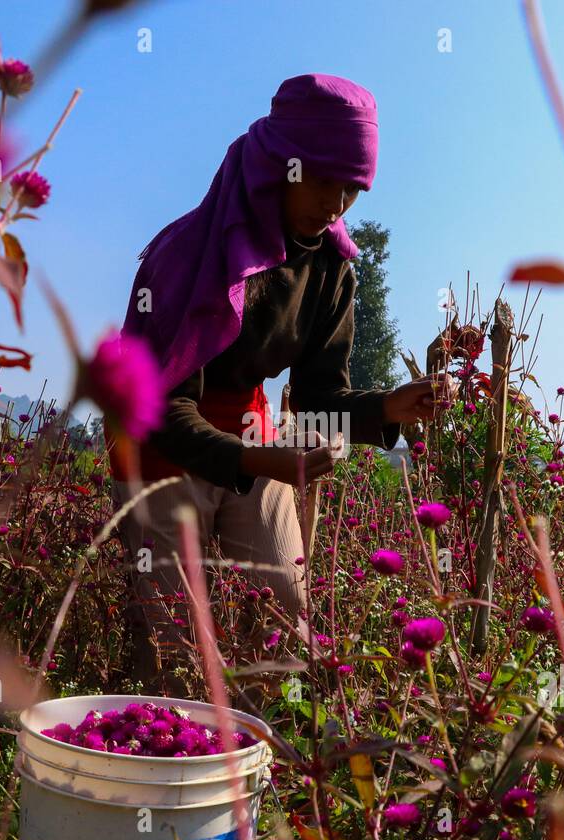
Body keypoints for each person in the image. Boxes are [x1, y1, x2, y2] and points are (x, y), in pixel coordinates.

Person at [104, 73, 453, 699]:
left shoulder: (331, 270)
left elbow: (320, 399)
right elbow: (161, 406)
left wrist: (385, 409)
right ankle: (163, 765)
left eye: (352, 187)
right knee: (174, 635)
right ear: (279, 167)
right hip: (160, 440)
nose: (336, 202)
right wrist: (256, 459)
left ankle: (263, 765)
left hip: (248, 427)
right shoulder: (187, 255)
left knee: (280, 606)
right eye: (322, 180)